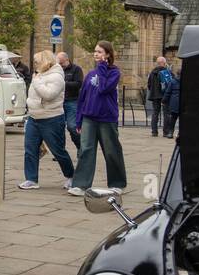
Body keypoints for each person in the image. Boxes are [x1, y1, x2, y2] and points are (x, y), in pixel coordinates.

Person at [69, 41, 127, 197]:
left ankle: (117, 183)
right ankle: (80, 185)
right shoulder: (90, 75)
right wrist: (79, 120)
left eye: (100, 52)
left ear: (107, 54)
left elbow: (104, 88)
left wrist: (102, 68)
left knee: (111, 150)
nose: (96, 54)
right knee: (86, 150)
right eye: (95, 51)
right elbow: (82, 99)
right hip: (89, 118)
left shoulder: (114, 72)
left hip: (107, 119)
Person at [19, 51, 75, 191]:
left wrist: (36, 82)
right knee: (30, 149)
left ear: (45, 62)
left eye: (37, 61)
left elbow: (49, 95)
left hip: (52, 118)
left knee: (58, 150)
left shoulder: (56, 76)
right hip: (34, 117)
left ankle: (71, 176)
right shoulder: (38, 75)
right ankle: (31, 179)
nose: (35, 64)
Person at [57, 51, 84, 150]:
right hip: (59, 102)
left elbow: (79, 84)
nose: (60, 65)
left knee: (72, 127)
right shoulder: (57, 70)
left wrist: (64, 83)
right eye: (59, 63)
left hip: (72, 101)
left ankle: (81, 148)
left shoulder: (76, 69)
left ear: (67, 60)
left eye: (62, 63)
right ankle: (60, 151)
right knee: (59, 129)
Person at [145, 56, 170, 137]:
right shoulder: (167, 72)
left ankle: (154, 132)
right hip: (165, 96)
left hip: (155, 96)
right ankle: (166, 132)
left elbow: (149, 85)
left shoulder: (152, 73)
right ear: (164, 63)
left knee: (155, 113)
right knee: (166, 114)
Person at [163, 66, 181, 139]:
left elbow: (168, 92)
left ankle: (170, 133)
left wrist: (164, 100)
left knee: (173, 118)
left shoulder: (173, 81)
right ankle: (180, 133)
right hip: (182, 103)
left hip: (174, 103)